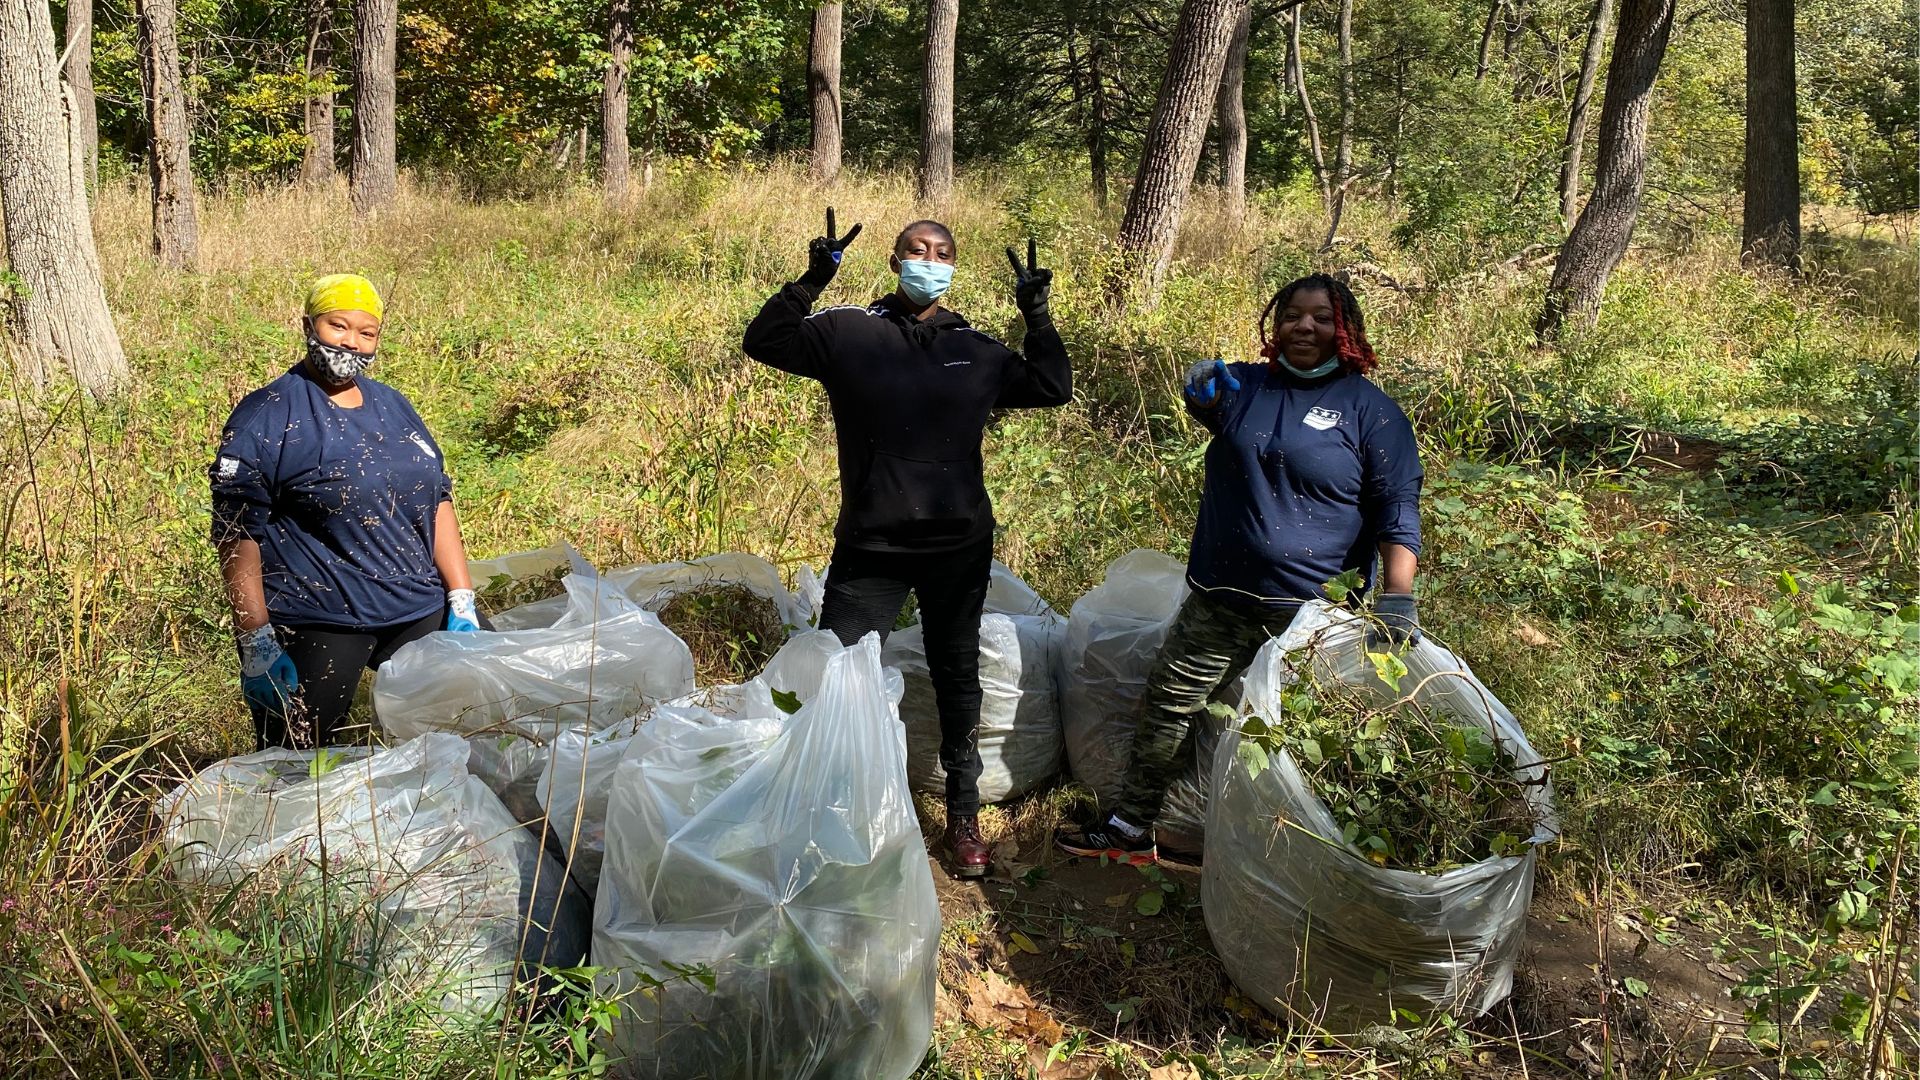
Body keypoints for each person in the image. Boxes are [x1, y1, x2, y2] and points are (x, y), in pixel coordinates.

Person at [743, 209, 1072, 878]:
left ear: (953, 267)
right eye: (917, 249)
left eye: (942, 251)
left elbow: (1051, 386)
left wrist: (1037, 318)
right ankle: (825, 804)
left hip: (958, 546)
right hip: (872, 546)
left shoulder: (977, 349)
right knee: (836, 675)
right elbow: (765, 340)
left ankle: (963, 814)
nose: (930, 259)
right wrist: (811, 278)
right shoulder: (847, 333)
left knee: (958, 677)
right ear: (894, 262)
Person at [1055, 273, 1424, 866]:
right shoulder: (1246, 385)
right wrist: (1200, 396)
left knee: (1291, 733)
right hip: (1220, 598)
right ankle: (1131, 825)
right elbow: (1228, 428)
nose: (1304, 326)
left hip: (1311, 618)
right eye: (1291, 315)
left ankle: (1288, 855)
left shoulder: (1371, 414)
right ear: (1273, 326)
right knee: (1169, 707)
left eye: (1322, 318)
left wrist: (1397, 598)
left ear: (1345, 330)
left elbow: (1397, 510)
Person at [209, 273, 486, 751]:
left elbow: (437, 498)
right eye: (338, 326)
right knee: (297, 768)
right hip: (322, 617)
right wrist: (255, 639)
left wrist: (461, 599)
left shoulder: (393, 406)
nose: (351, 342)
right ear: (309, 325)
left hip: (417, 607)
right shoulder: (269, 414)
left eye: (366, 332)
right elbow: (237, 534)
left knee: (479, 727)